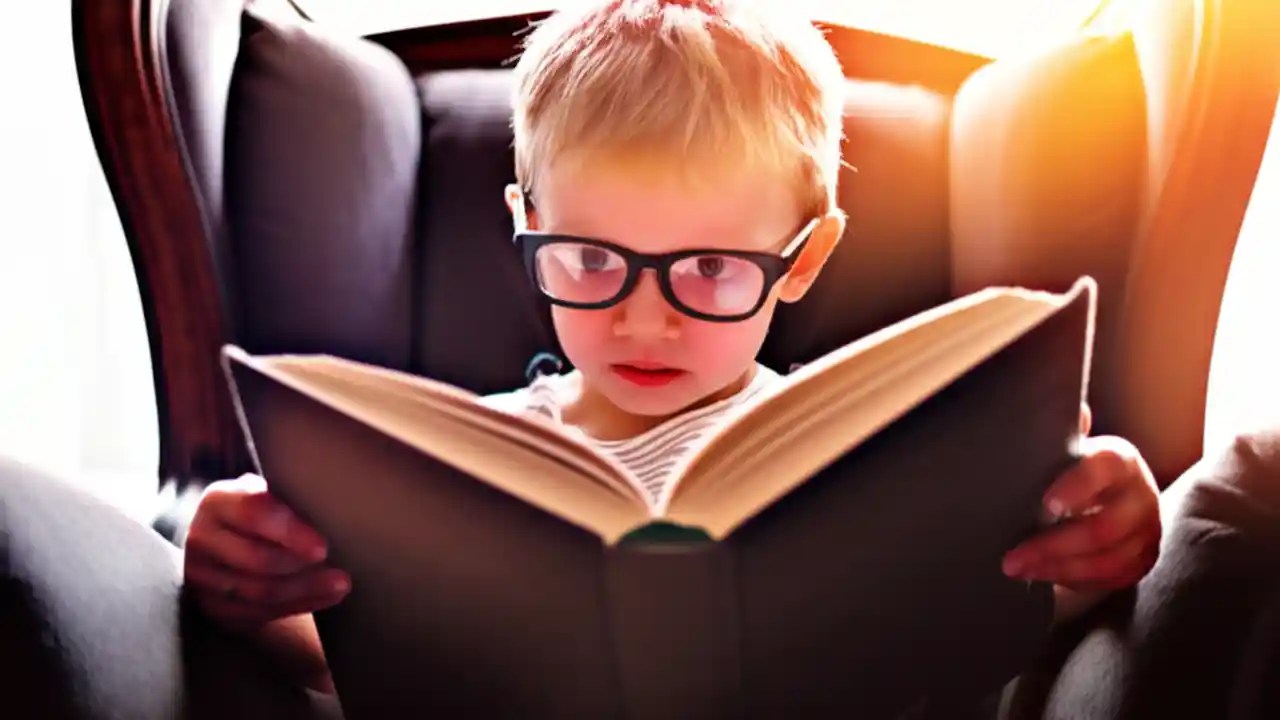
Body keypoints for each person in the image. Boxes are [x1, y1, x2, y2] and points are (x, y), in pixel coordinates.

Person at [182, 0, 1162, 694]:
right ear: (527, 225)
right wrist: (245, 586)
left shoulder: (861, 453)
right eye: (589, 259)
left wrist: (1098, 544)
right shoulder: (460, 463)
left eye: (709, 270)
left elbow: (999, 613)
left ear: (804, 257)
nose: (644, 322)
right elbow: (343, 653)